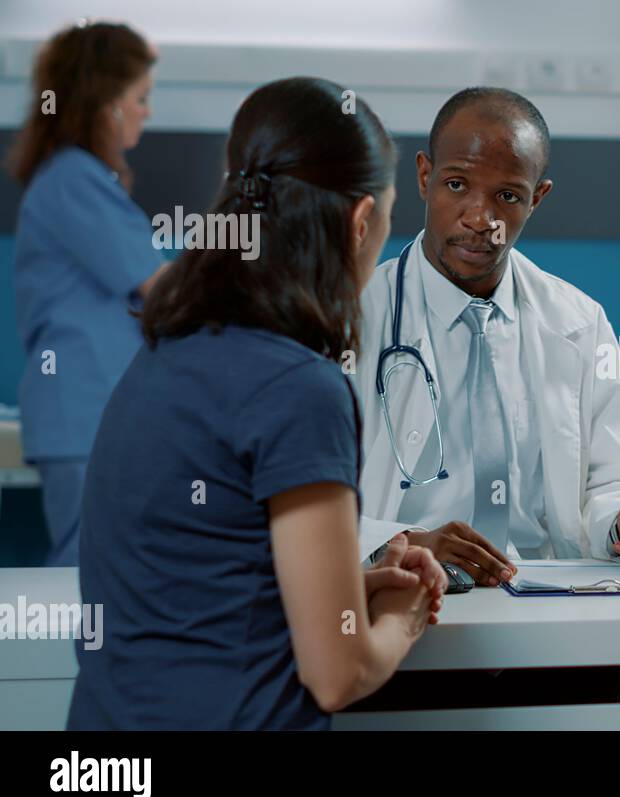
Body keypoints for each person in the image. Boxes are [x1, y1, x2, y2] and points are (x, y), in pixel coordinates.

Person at [68, 77, 447, 730]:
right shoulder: (300, 389)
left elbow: (201, 590)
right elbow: (337, 673)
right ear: (361, 223)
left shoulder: (165, 349)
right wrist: (399, 619)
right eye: (386, 217)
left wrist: (350, 592)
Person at [356, 87, 620, 586]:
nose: (481, 219)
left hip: (545, 601)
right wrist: (400, 543)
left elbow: (612, 479)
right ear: (424, 176)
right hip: (410, 606)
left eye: (508, 196)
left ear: (536, 199)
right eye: (456, 184)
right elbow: (300, 510)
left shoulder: (579, 322)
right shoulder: (353, 317)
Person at [6, 21, 169, 567]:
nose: (147, 112)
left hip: (91, 415)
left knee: (98, 564)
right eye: (140, 98)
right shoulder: (74, 181)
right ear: (104, 102)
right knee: (88, 569)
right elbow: (162, 289)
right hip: (86, 415)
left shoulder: (75, 182)